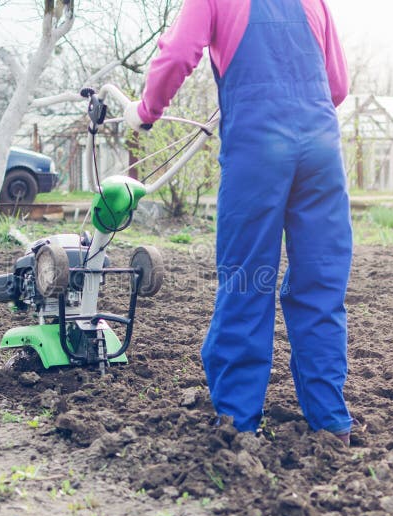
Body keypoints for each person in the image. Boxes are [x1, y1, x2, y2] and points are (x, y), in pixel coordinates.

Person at [123, 0, 354, 443]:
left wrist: (146, 111)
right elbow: (337, 87)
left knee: (248, 280)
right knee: (321, 283)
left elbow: (176, 55)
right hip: (322, 151)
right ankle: (331, 422)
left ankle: (238, 423)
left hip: (258, 148)